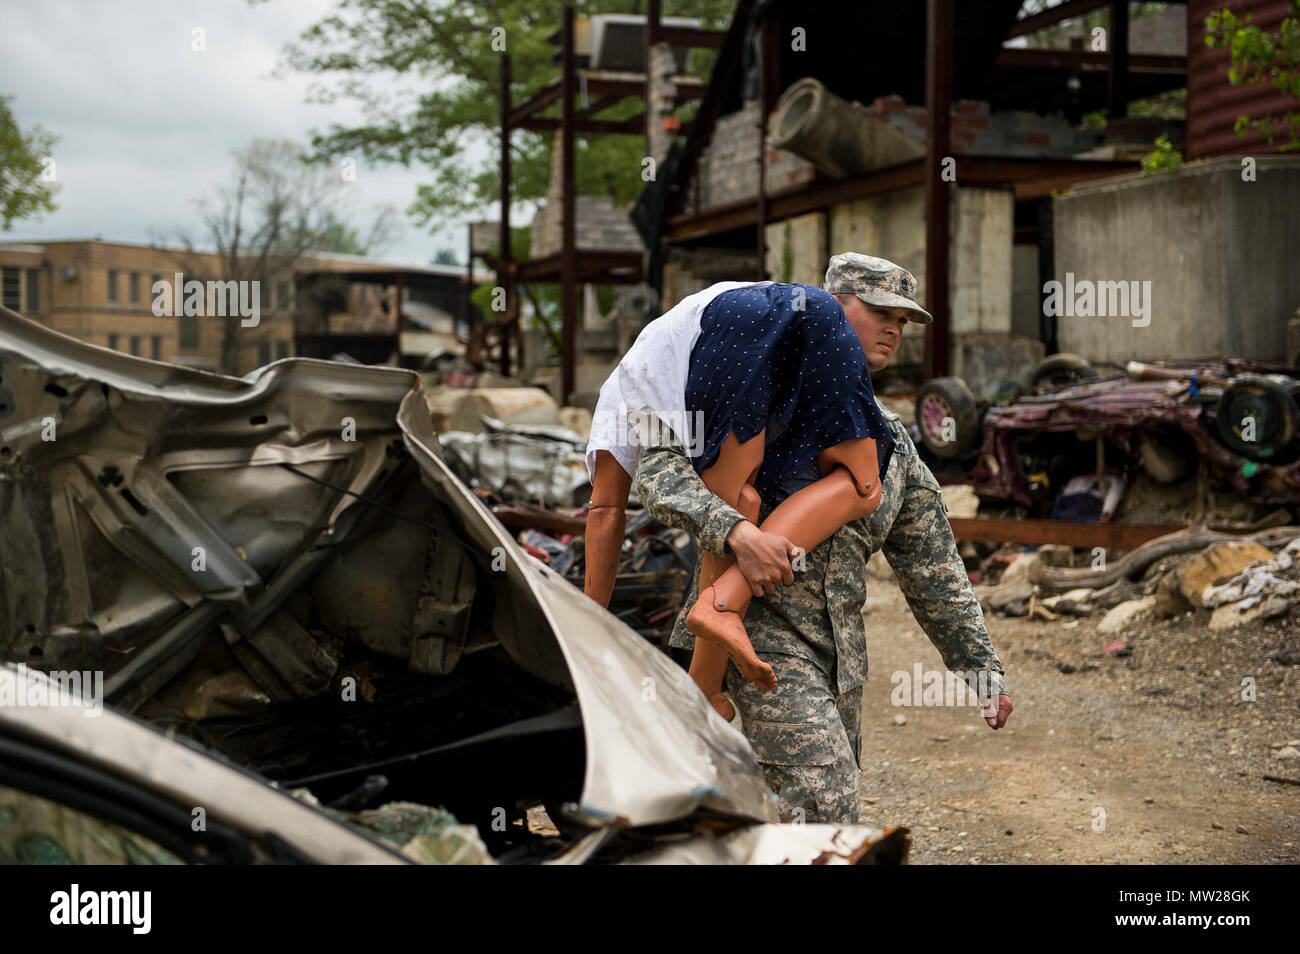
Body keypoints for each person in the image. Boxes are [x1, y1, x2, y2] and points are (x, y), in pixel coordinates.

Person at [632, 253, 1013, 825]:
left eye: (904, 321)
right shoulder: (751, 390)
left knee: (770, 813)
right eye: (879, 310)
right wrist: (734, 531)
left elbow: (933, 566)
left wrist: (980, 667)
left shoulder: (890, 445)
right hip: (755, 640)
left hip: (837, 660)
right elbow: (656, 471)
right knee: (823, 798)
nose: (893, 329)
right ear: (833, 309)